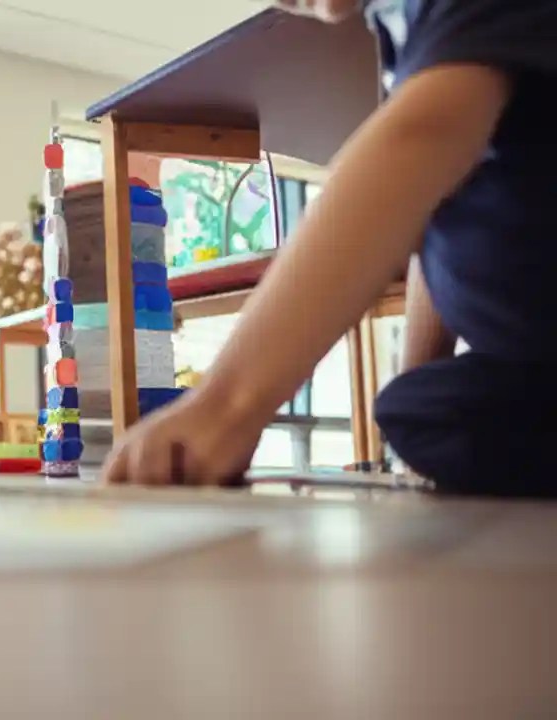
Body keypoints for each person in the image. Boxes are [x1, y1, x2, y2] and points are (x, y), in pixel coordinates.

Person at [101, 0, 557, 497]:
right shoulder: (401, 27)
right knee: (423, 411)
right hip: (527, 361)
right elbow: (433, 197)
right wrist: (422, 373)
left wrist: (228, 403)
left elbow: (421, 139)